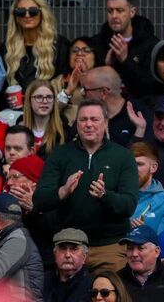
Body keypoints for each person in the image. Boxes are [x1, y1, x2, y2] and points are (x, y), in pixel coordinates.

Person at [34, 99, 139, 271]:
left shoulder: (123, 157)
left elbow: (128, 205)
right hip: (68, 244)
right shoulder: (60, 155)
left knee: (110, 293)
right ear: (76, 124)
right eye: (83, 120)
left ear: (106, 123)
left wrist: (105, 195)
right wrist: (62, 191)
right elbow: (39, 200)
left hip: (109, 246)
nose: (88, 124)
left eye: (94, 119)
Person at [89, 0, 159, 99]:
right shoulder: (97, 42)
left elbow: (150, 86)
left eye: (120, 10)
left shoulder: (150, 44)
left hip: (139, 107)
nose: (114, 16)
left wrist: (126, 60)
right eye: (110, 11)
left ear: (132, 12)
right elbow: (90, 85)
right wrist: (107, 66)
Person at [4, 0, 70, 96]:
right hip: (14, 110)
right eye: (21, 12)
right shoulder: (7, 48)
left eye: (33, 11)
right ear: (16, 17)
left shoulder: (60, 46)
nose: (27, 15)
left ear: (42, 14)